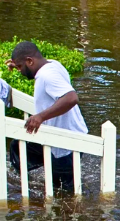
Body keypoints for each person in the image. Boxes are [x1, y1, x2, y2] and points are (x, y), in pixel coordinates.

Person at [5, 41, 88, 194]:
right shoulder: (52, 65)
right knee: (17, 146)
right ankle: (24, 181)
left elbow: (71, 98)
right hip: (61, 137)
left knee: (63, 192)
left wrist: (40, 117)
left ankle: (73, 210)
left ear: (30, 61)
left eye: (20, 67)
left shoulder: (47, 75)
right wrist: (17, 64)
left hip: (66, 144)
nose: (20, 71)